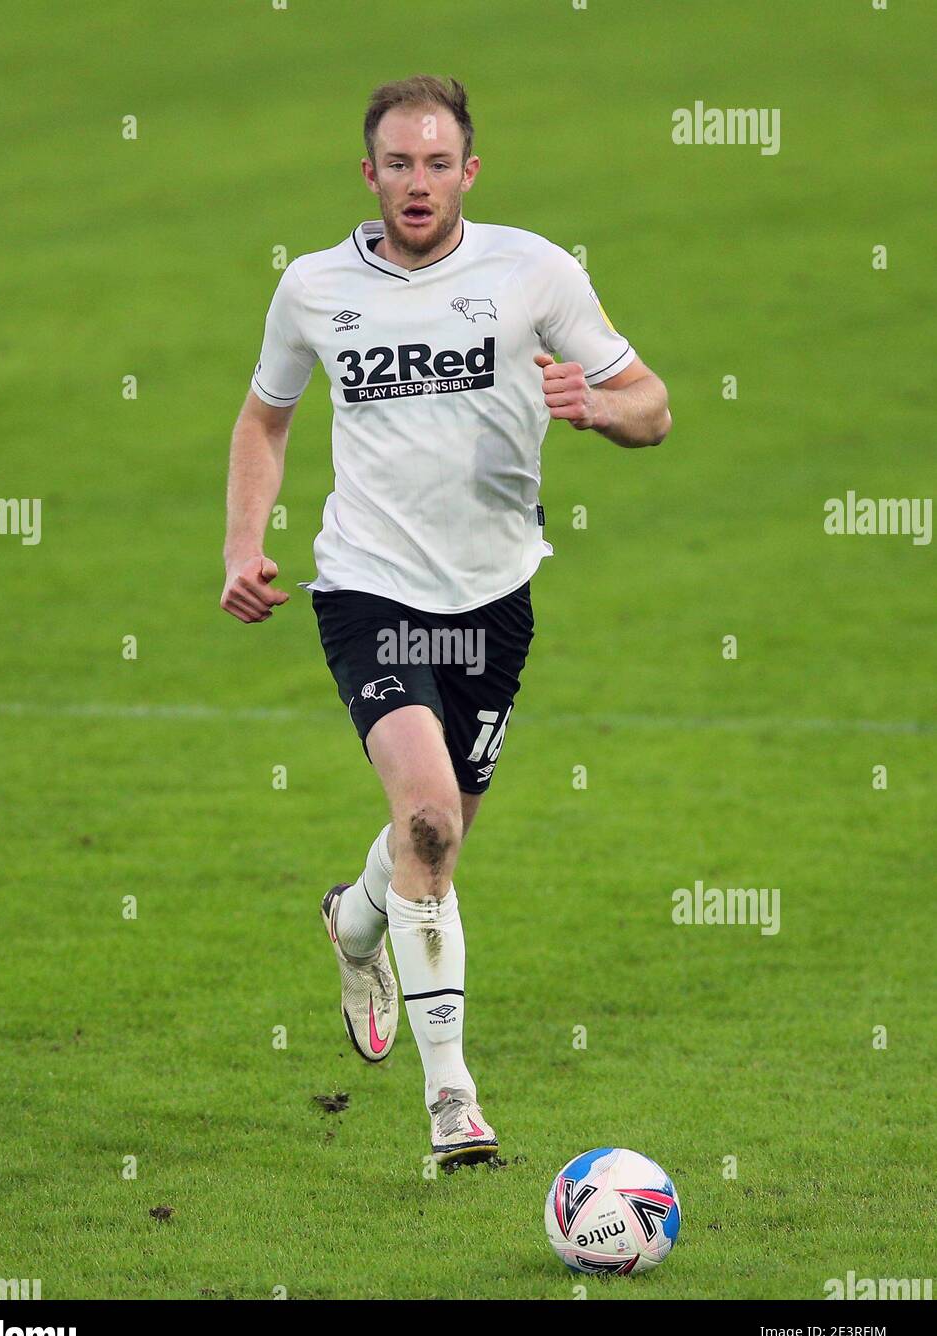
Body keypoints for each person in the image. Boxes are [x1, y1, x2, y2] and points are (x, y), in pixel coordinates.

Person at [222, 75, 671, 1165]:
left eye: (435, 163)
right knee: (425, 817)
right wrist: (244, 544)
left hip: (493, 599)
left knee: (441, 838)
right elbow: (264, 418)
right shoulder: (314, 288)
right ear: (366, 172)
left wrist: (595, 407)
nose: (415, 183)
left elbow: (652, 408)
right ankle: (451, 1101)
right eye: (396, 163)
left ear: (469, 171)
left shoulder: (534, 273)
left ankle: (357, 918)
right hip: (367, 589)